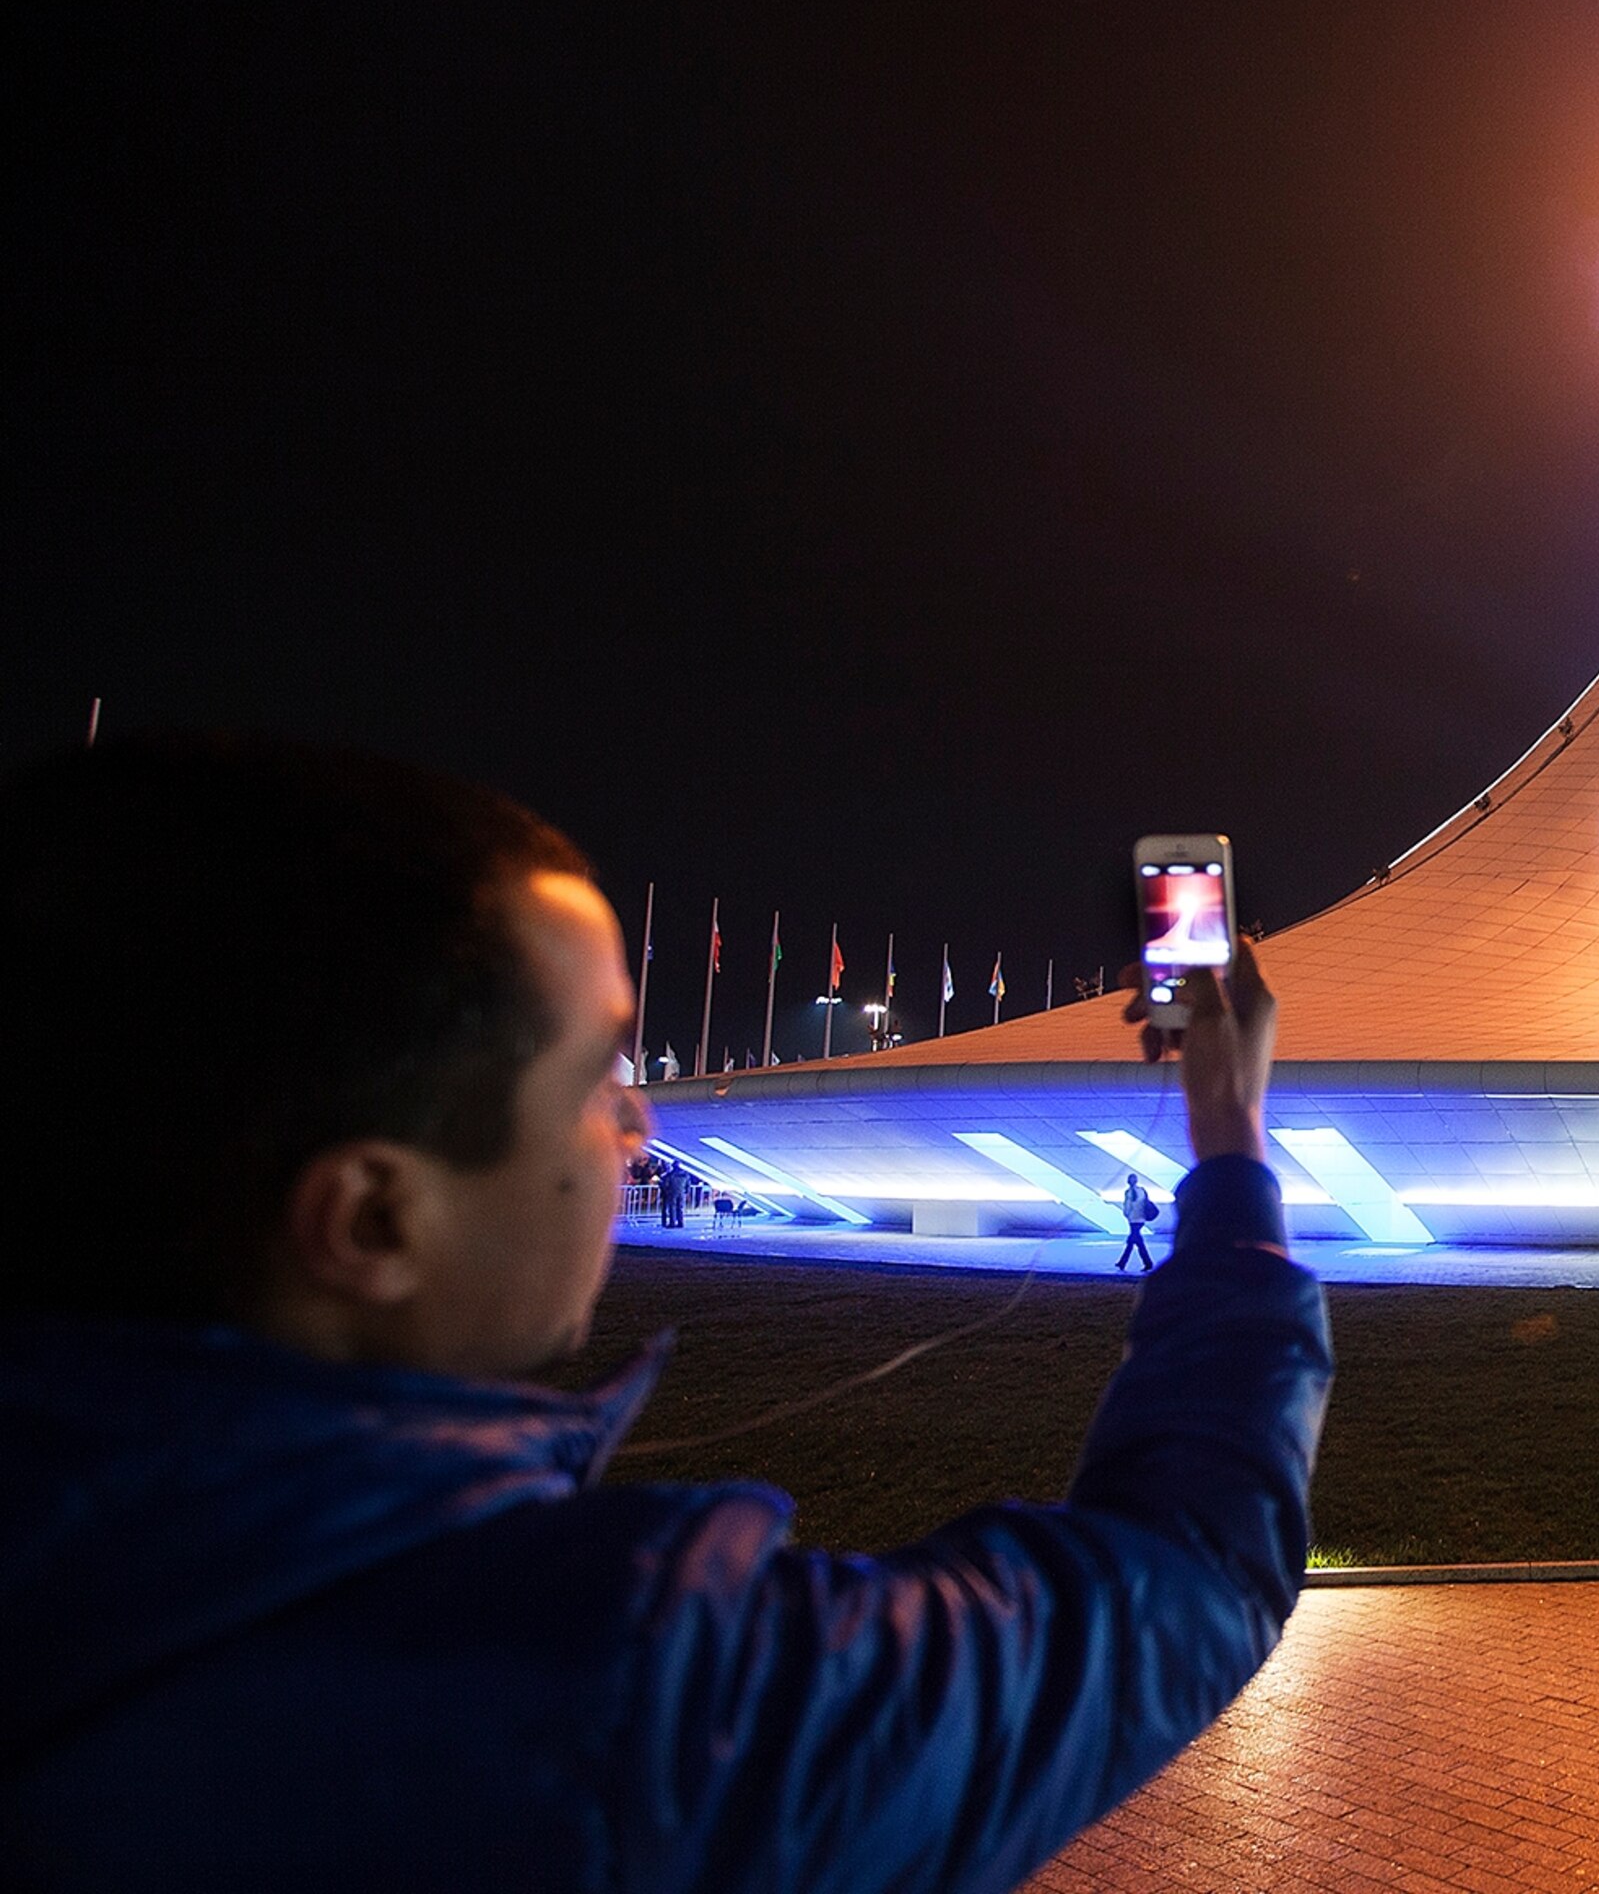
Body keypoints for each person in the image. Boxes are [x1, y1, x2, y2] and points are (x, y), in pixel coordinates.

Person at [0, 736, 1330, 1893]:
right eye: (594, 1078)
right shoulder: (612, 1714)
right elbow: (1189, 1575)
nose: (637, 1128)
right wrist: (1229, 1147)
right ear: (374, 1221)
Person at [1118, 1172, 1158, 1273]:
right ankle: (1123, 1262)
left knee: (1135, 1242)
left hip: (1133, 1219)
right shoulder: (1142, 1190)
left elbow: (1128, 1206)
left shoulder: (1129, 1192)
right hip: (1141, 1218)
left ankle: (1147, 1263)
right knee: (1133, 1241)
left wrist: (1126, 1214)